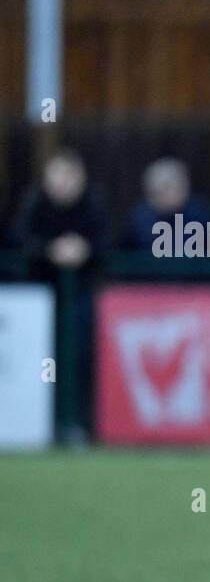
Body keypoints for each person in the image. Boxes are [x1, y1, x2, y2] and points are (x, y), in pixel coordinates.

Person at [12, 149, 110, 442]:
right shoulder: (33, 204)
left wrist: (85, 250)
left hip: (81, 297)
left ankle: (80, 424)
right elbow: (21, 242)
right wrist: (49, 251)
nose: (65, 183)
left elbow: (107, 245)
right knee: (39, 360)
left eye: (71, 176)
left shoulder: (94, 204)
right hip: (38, 299)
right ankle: (40, 424)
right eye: (59, 175)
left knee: (81, 354)